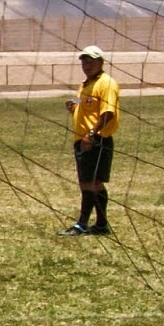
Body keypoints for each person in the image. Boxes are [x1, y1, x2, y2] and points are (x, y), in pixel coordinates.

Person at [61, 45, 121, 236]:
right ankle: (100, 225)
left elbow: (108, 113)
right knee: (87, 182)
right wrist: (73, 107)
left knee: (92, 183)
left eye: (91, 61)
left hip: (96, 140)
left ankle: (83, 224)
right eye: (84, 61)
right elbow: (86, 105)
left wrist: (91, 134)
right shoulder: (86, 84)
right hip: (82, 139)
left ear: (101, 62)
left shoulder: (106, 83)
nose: (87, 65)